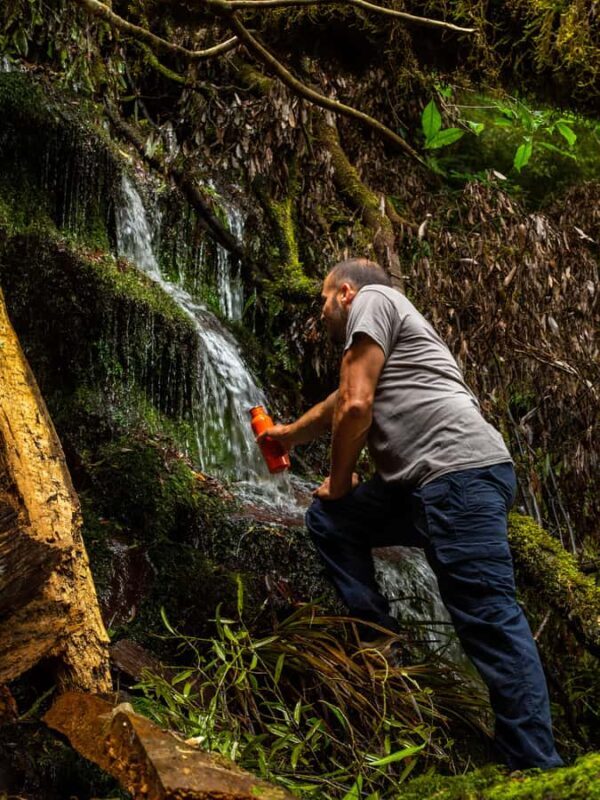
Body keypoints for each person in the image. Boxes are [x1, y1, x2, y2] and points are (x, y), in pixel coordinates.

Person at [258, 257, 563, 771]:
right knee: (332, 520)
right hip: (425, 486)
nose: (322, 311)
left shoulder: (374, 301)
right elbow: (340, 402)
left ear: (347, 293)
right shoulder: (394, 339)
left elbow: (357, 408)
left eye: (324, 299)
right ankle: (378, 642)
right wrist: (286, 435)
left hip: (456, 477)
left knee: (489, 617)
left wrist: (337, 482)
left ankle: (537, 768)